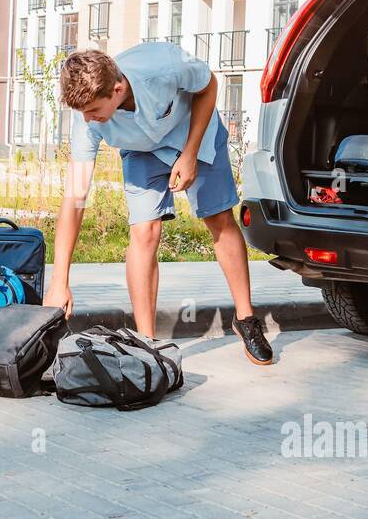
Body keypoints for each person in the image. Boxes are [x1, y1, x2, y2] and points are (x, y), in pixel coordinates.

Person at [43, 43, 274, 365]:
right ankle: (147, 343)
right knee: (144, 233)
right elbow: (75, 197)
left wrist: (190, 154)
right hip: (140, 150)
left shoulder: (163, 66)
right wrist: (59, 281)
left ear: (118, 89)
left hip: (196, 133)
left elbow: (208, 86)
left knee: (219, 219)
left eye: (94, 110)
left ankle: (246, 319)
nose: (88, 119)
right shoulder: (87, 121)